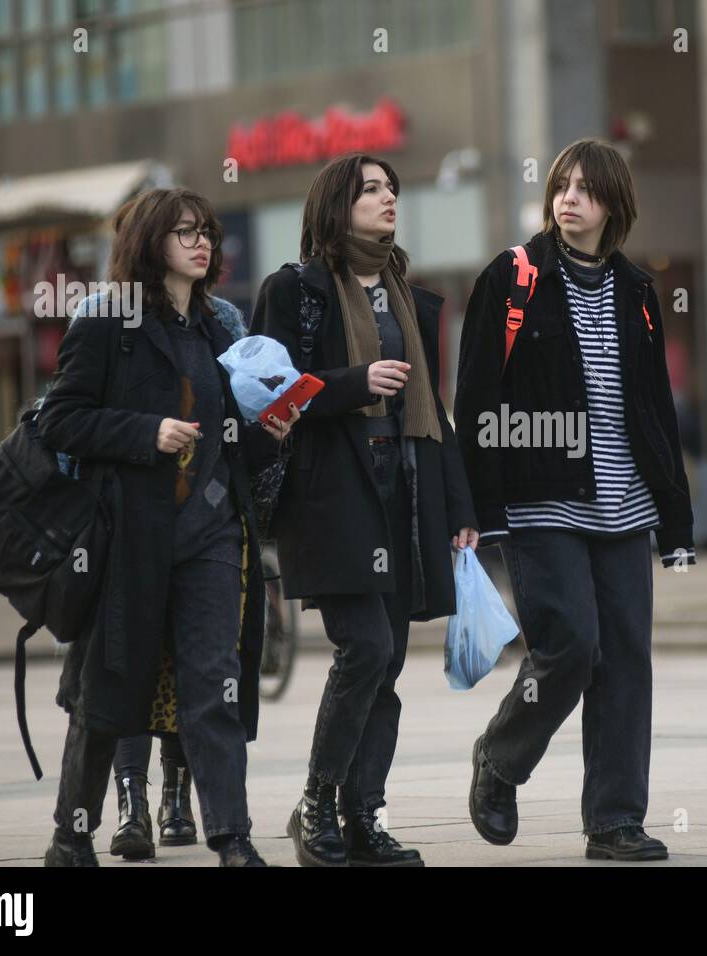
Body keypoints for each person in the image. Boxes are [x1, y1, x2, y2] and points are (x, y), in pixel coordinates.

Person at [38, 187, 296, 866]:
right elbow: (59, 420)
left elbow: (231, 443)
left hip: (212, 536)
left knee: (211, 689)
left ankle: (232, 838)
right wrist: (144, 430)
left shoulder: (219, 329)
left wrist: (271, 432)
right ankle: (71, 835)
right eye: (184, 232)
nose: (201, 242)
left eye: (206, 231)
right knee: (110, 691)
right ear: (150, 242)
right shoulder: (107, 322)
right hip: (132, 537)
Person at [454, 138, 696, 862]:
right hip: (540, 503)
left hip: (624, 509)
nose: (570, 198)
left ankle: (615, 821)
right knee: (571, 650)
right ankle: (500, 758)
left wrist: (675, 523)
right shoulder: (513, 279)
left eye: (587, 190)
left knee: (625, 659)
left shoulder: (637, 293)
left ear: (613, 206)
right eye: (562, 185)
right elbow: (476, 398)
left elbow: (655, 409)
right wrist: (480, 507)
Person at [251, 154, 478, 867]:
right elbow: (267, 395)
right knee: (367, 649)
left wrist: (459, 506)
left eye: (392, 189)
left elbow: (432, 409)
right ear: (336, 203)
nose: (388, 199)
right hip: (331, 494)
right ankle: (315, 806)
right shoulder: (295, 291)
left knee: (387, 666)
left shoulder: (407, 292)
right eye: (371, 189)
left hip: (403, 491)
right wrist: (353, 383)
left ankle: (362, 817)